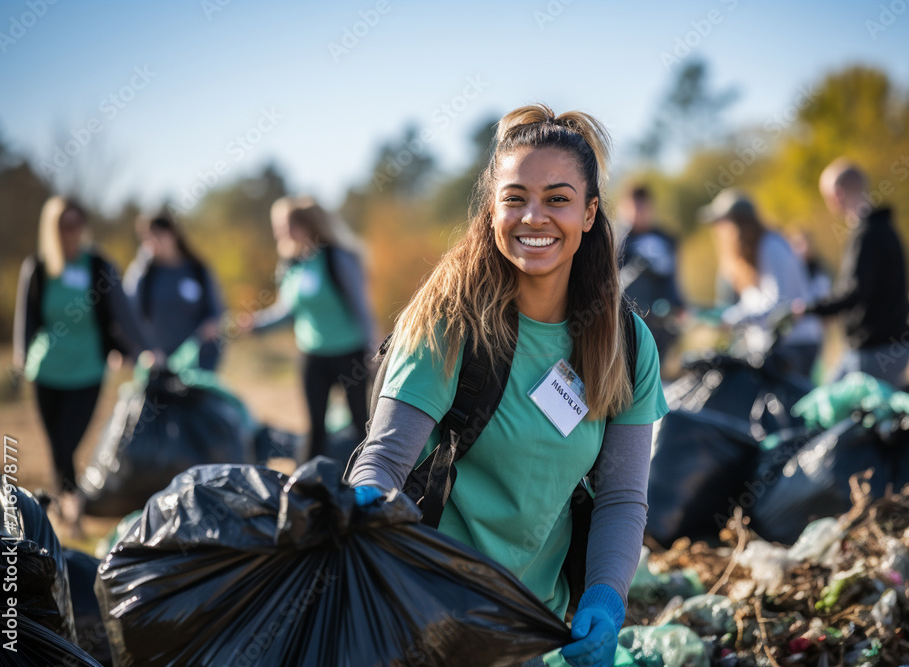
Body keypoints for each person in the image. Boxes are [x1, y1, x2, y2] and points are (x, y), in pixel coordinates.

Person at [348, 104, 669, 667]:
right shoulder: (450, 321)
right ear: (493, 208)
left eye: (558, 199)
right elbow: (384, 462)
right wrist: (365, 510)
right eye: (515, 198)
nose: (533, 217)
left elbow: (621, 497)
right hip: (424, 619)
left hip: (532, 628)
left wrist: (604, 598)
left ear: (590, 213)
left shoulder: (627, 344)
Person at [13, 196, 155, 534]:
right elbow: (27, 316)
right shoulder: (38, 266)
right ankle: (69, 512)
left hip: (88, 368)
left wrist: (142, 349)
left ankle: (66, 505)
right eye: (65, 225)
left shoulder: (98, 265)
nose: (73, 232)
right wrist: (20, 356)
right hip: (46, 368)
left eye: (78, 224)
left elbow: (121, 312)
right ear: (52, 227)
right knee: (56, 447)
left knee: (69, 441)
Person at [246, 197, 375, 459]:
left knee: (361, 425)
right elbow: (286, 311)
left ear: (305, 225)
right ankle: (303, 489)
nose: (278, 232)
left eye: (284, 225)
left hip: (349, 354)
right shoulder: (291, 264)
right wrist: (256, 324)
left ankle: (370, 484)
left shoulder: (336, 258)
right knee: (315, 428)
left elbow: (361, 307)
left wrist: (373, 349)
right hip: (313, 356)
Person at [793, 158, 909, 387]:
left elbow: (854, 291)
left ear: (837, 194)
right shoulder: (884, 228)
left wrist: (808, 309)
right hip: (886, 345)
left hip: (876, 348)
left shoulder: (867, 234)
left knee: (827, 413)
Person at [700, 189, 823, 377]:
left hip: (794, 345)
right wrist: (722, 315)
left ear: (738, 225)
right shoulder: (756, 250)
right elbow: (754, 301)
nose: (719, 231)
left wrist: (735, 318)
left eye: (723, 223)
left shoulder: (771, 246)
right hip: (774, 347)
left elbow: (780, 303)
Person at [123, 212, 224, 371]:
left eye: (156, 235)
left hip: (199, 361)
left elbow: (216, 310)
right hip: (159, 362)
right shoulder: (142, 275)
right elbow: (128, 315)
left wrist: (211, 325)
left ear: (172, 233)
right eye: (146, 238)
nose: (151, 243)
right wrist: (144, 351)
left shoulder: (197, 270)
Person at [617, 185, 684, 353]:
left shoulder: (664, 240)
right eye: (633, 207)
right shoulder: (612, 240)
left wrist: (678, 305)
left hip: (657, 322)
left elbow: (671, 279)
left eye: (642, 207)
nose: (637, 213)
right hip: (621, 321)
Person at [788, 229, 832, 303]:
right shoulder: (791, 271)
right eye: (798, 245)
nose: (804, 249)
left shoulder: (818, 271)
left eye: (806, 243)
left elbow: (824, 295)